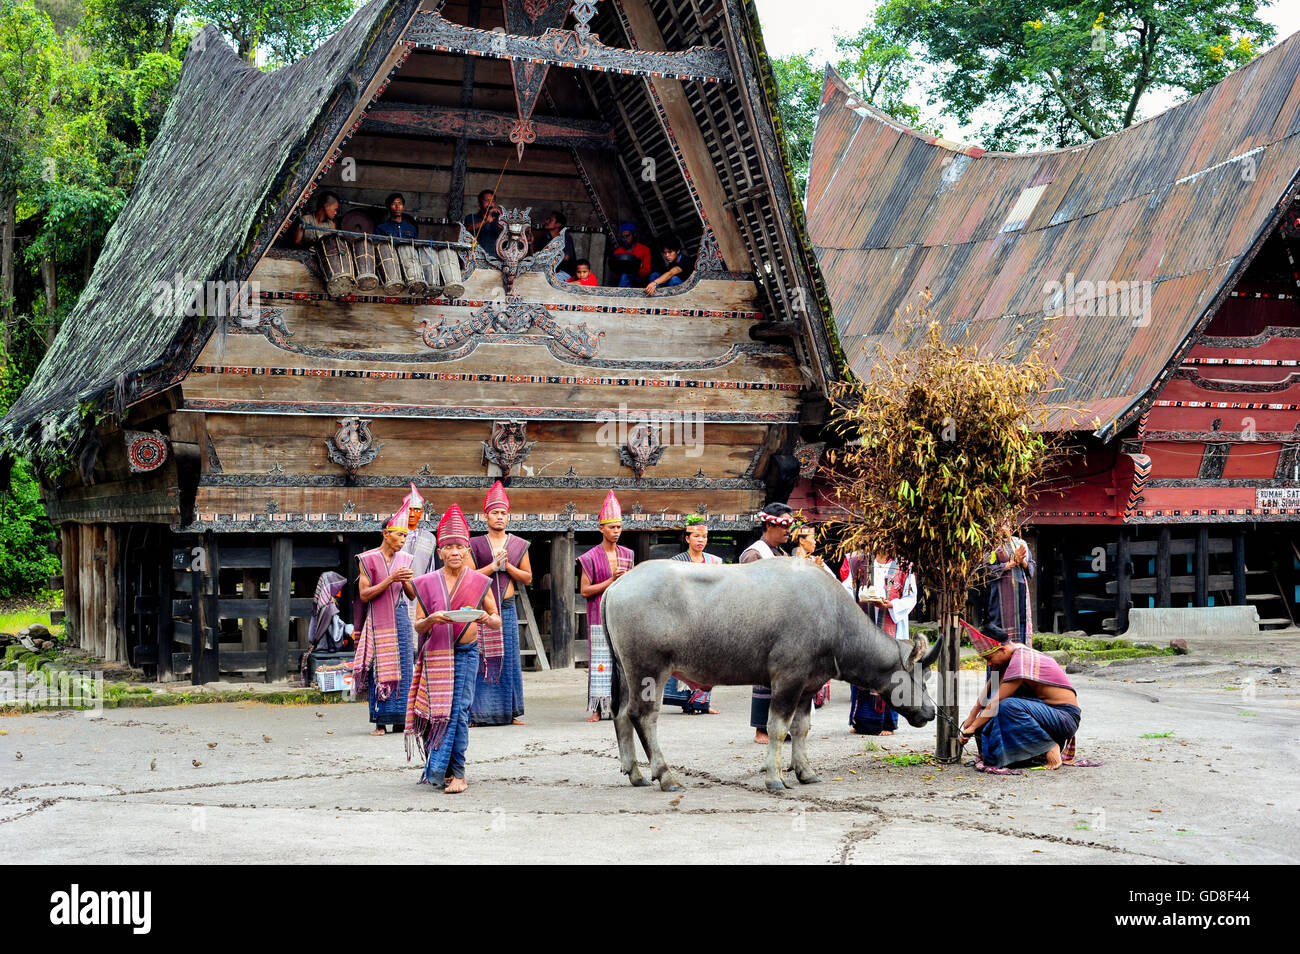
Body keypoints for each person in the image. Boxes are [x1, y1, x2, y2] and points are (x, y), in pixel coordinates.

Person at [406, 504, 501, 794]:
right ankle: (441, 770)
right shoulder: (425, 583)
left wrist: (486, 618)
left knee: (458, 711)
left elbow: (496, 619)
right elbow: (418, 625)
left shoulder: (479, 581)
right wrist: (433, 619)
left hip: (466, 653)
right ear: (440, 552)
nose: (455, 552)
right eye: (449, 547)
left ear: (467, 550)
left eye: (460, 546)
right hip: (436, 656)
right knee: (439, 711)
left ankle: (458, 772)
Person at [960, 628, 1084, 773]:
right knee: (987, 713)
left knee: (1006, 706)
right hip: (1045, 712)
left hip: (1064, 717)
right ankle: (1014, 754)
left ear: (1003, 650)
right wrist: (972, 716)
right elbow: (992, 686)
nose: (988, 664)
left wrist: (973, 728)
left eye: (989, 659)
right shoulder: (1013, 652)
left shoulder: (1021, 658)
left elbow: (997, 701)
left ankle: (1048, 746)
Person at [468, 481, 533, 726]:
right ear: (486, 516)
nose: (499, 517)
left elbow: (527, 578)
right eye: (494, 513)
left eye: (503, 513)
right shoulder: (474, 544)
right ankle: (479, 713)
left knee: (509, 660)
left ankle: (511, 712)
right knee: (484, 659)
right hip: (482, 608)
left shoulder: (518, 544)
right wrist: (492, 567)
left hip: (506, 608)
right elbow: (469, 576)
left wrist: (508, 567)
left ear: (509, 517)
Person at [353, 503, 418, 736]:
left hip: (400, 615)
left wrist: (404, 581)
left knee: (404, 668)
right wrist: (391, 579)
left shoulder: (406, 559)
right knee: (378, 669)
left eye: (405, 535)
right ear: (386, 534)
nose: (403, 540)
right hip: (378, 617)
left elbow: (411, 596)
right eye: (399, 535)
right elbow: (364, 595)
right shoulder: (367, 559)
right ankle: (380, 721)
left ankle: (401, 720)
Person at [842, 550, 917, 735]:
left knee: (889, 672)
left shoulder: (904, 565)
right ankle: (861, 721)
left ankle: (887, 723)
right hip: (863, 626)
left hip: (891, 625)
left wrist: (891, 605)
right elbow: (846, 589)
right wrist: (859, 598)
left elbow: (911, 597)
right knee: (861, 670)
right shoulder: (858, 561)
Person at [740, 502, 795, 743]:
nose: (787, 531)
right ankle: (761, 729)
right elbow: (752, 593)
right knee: (764, 678)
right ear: (770, 523)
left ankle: (779, 725)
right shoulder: (755, 554)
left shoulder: (781, 554)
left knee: (782, 678)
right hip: (760, 621)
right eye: (784, 525)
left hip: (781, 624)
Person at [578, 491, 634, 721]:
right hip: (598, 614)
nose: (616, 531)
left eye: (619, 527)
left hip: (622, 616)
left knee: (623, 661)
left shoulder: (628, 555)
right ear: (601, 528)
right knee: (600, 660)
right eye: (612, 527)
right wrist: (610, 581)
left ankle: (622, 705)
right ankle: (598, 708)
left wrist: (627, 578)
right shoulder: (590, 557)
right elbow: (584, 591)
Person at [663, 515, 722, 714]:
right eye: (696, 536)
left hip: (708, 614)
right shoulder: (677, 562)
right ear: (687, 538)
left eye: (704, 537)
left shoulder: (715, 561)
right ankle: (683, 700)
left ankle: (702, 702)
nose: (701, 540)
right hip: (685, 614)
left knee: (708, 658)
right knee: (684, 657)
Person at [791, 525, 835, 710]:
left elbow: (833, 583)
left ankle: (815, 696)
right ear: (801, 540)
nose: (816, 541)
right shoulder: (792, 561)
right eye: (812, 538)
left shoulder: (816, 561)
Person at [981, 522, 1036, 646]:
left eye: (1006, 524)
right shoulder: (991, 546)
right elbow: (986, 570)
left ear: (1011, 527)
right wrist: (1007, 566)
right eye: (999, 524)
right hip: (999, 600)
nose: (1002, 528)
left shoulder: (1020, 543)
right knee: (998, 633)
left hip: (1019, 598)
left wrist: (1023, 562)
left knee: (1020, 627)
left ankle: (1018, 662)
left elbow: (1031, 564)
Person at [537, 210, 577, 280]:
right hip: (549, 271)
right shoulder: (545, 238)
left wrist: (547, 255)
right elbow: (537, 257)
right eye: (547, 219)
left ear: (558, 224)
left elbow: (566, 257)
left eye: (550, 220)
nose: (547, 222)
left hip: (564, 272)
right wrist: (530, 244)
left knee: (549, 281)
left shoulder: (565, 237)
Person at [610, 222, 651, 287]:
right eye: (623, 237)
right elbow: (615, 274)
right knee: (624, 276)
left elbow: (647, 270)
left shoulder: (644, 249)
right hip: (623, 280)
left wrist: (633, 270)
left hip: (640, 280)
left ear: (634, 235)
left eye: (627, 236)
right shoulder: (618, 252)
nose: (625, 239)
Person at [463, 188, 502, 253]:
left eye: (492, 201)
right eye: (487, 200)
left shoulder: (499, 219)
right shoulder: (471, 217)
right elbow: (467, 229)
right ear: (479, 203)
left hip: (495, 259)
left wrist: (502, 218)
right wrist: (485, 221)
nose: (490, 203)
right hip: (476, 256)